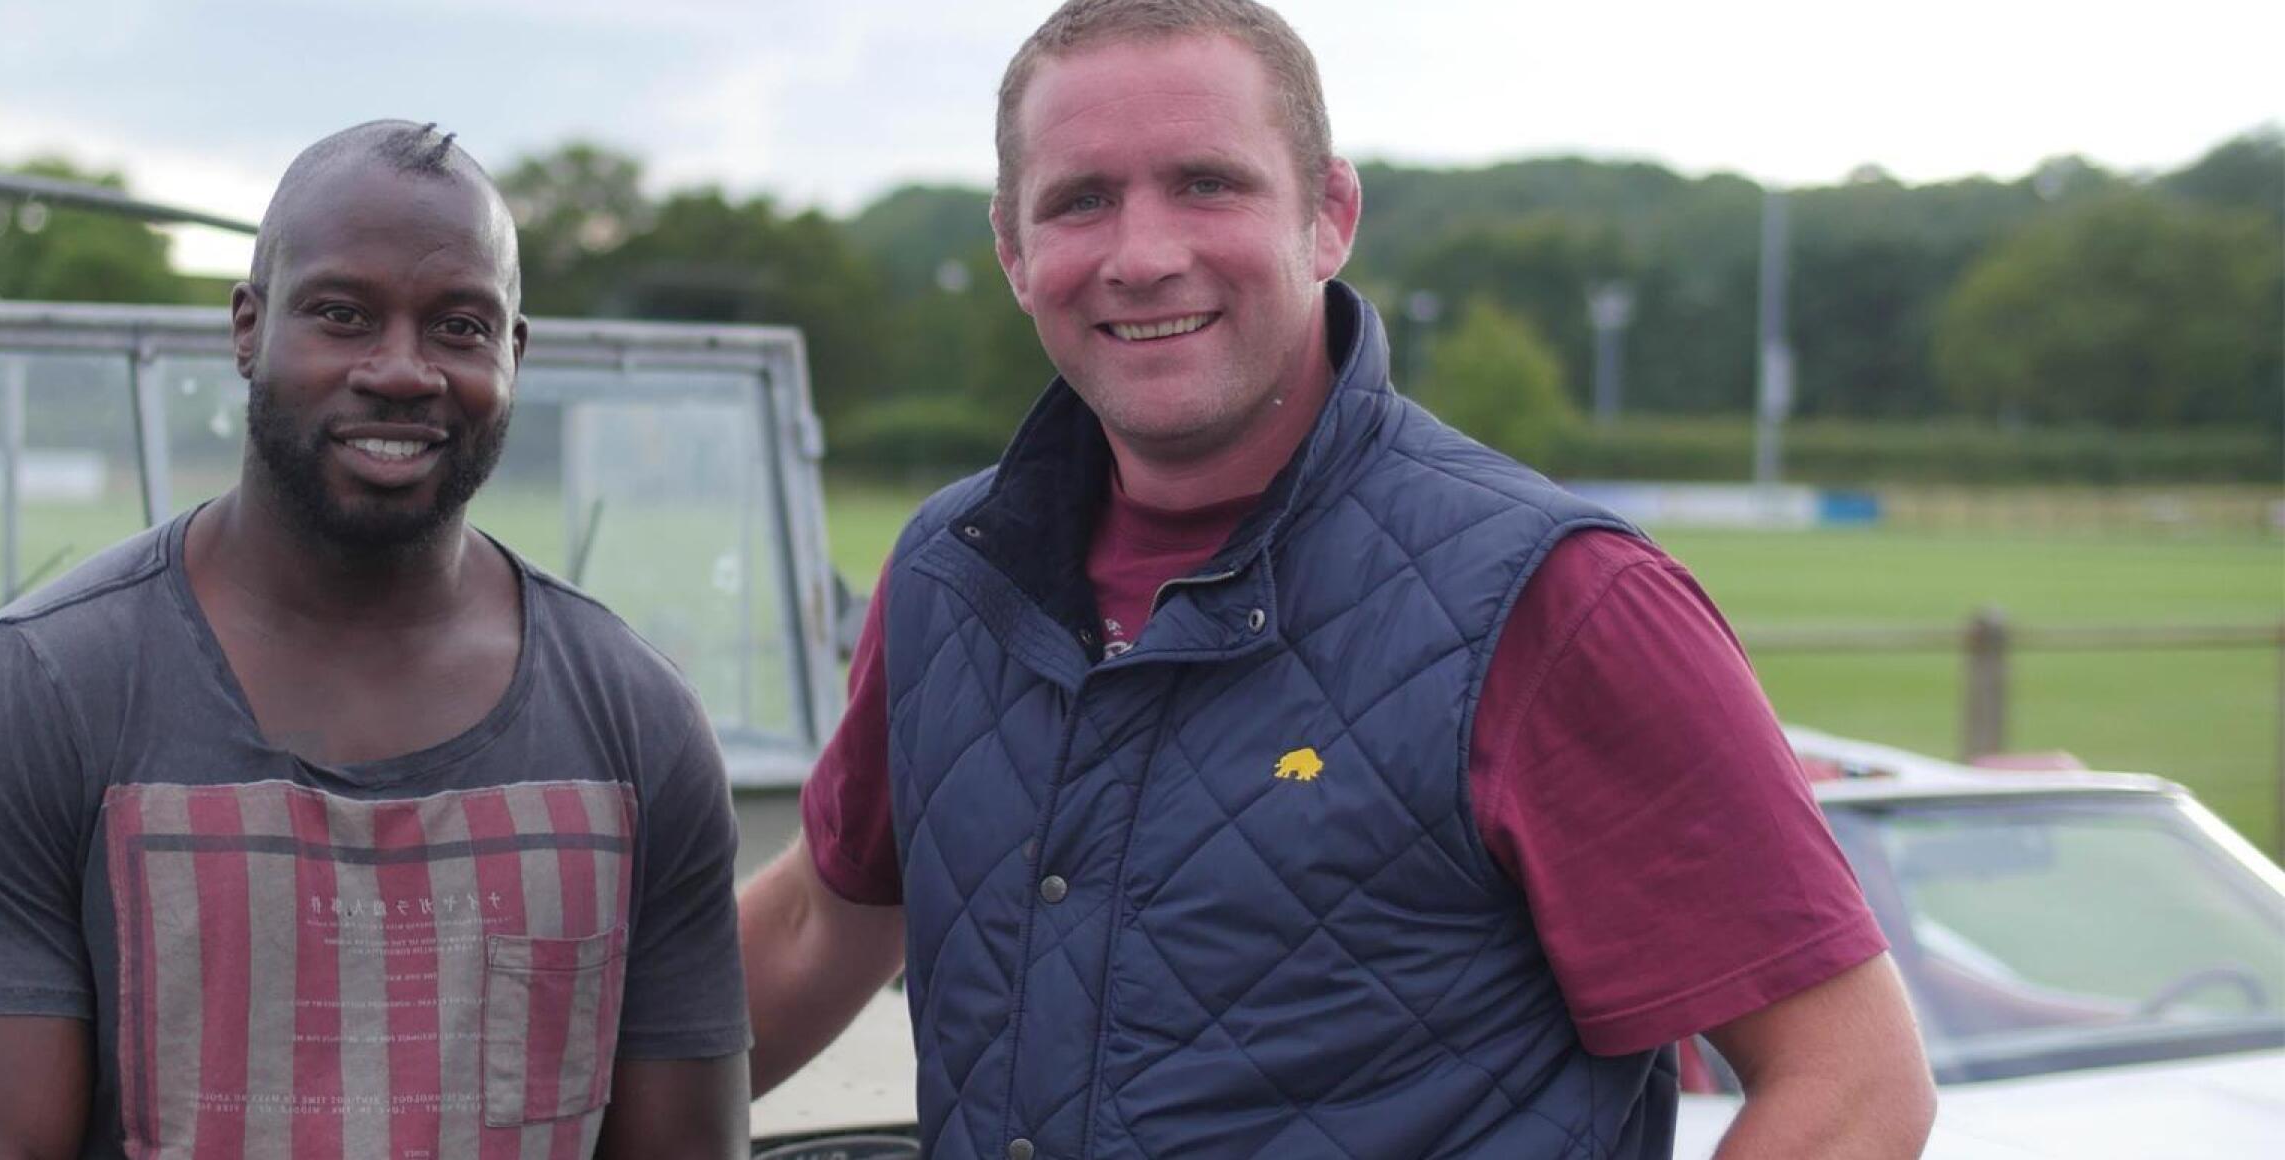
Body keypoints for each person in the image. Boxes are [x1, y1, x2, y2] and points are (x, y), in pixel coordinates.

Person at [737, 2, 1936, 1157]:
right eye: (1081, 201)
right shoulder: (952, 578)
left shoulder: (1555, 602)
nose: (1144, 255)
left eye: (1208, 182)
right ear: (1013, 249)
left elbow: (1854, 1081)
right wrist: (561, 1089)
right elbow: (812, 927)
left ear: (1329, 215)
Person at [0, 120, 751, 1160]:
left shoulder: (636, 720)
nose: (402, 369)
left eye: (460, 326)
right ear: (248, 328)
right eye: (342, 313)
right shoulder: (38, 692)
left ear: (515, 354)